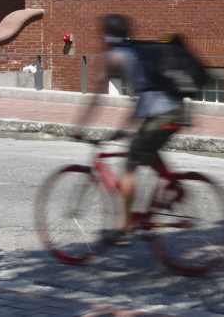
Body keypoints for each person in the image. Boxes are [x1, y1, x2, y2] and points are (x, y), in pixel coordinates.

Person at [75, 13, 188, 239]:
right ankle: (173, 184)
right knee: (144, 150)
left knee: (131, 162)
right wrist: (124, 126)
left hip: (162, 115)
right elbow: (141, 97)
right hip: (177, 111)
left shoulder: (115, 56)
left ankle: (126, 225)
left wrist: (80, 125)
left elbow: (97, 95)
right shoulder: (136, 51)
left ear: (107, 35)